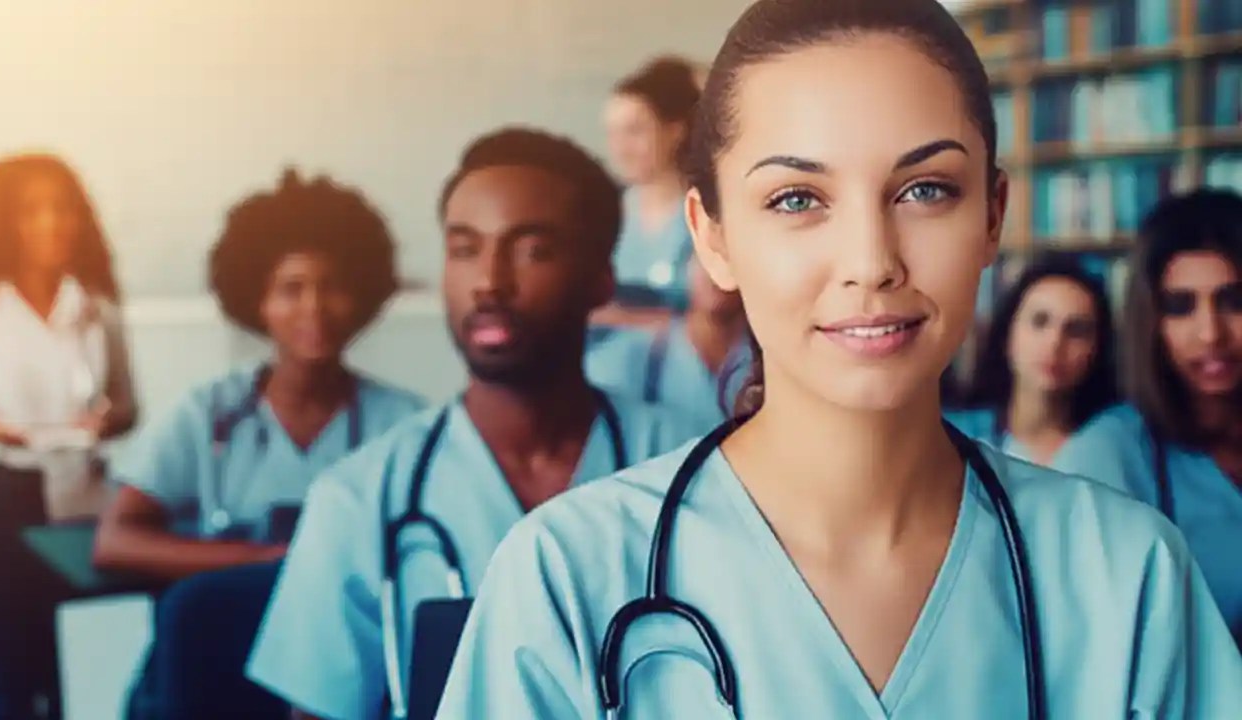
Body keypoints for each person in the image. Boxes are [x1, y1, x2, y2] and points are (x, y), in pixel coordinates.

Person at [438, 2, 1242, 717]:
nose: (871, 261)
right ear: (712, 236)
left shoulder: (1128, 575)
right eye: (797, 199)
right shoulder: (566, 578)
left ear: (993, 216)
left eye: (925, 189)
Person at [246, 128, 699, 720]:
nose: (489, 282)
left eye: (531, 250)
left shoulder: (692, 473)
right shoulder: (361, 499)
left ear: (600, 281)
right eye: (464, 250)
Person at [93, 170, 423, 718]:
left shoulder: (404, 424)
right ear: (256, 300)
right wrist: (271, 561)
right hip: (210, 674)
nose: (313, 307)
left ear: (362, 296)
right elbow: (116, 541)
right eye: (290, 289)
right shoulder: (208, 416)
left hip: (343, 673)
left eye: (333, 286)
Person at [0, 153, 137, 720]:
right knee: (5, 684)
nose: (52, 223)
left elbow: (129, 406)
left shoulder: (96, 308)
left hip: (81, 498)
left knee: (75, 667)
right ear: (4, 223)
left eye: (62, 208)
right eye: (32, 210)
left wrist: (106, 421)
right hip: (3, 500)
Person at [1056, 189, 1242, 642]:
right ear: (1150, 320)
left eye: (1234, 300)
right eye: (1180, 306)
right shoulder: (1107, 456)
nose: (1210, 332)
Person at [947, 254, 1118, 466]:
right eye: (1039, 321)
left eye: (1076, 330)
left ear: (1097, 348)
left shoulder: (1112, 448)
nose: (1055, 343)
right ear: (1008, 334)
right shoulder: (952, 435)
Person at [592, 56, 701, 328]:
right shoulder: (602, 216)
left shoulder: (709, 215)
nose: (621, 149)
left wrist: (622, 318)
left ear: (675, 131)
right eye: (612, 134)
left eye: (635, 131)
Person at [587, 254, 751, 432]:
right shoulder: (627, 359)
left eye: (728, 257)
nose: (713, 274)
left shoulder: (765, 364)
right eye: (704, 257)